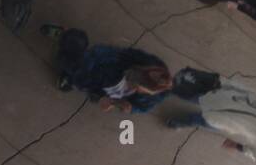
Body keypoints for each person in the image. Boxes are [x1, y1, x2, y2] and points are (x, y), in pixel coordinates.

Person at [41, 25, 172, 112]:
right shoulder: (146, 62)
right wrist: (91, 59)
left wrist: (115, 103)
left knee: (78, 75)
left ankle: (71, 76)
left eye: (140, 82)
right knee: (75, 48)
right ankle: (65, 38)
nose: (135, 78)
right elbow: (122, 53)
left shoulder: (147, 101)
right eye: (140, 73)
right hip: (103, 66)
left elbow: (131, 106)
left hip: (99, 84)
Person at [167, 81, 256, 163]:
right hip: (230, 102)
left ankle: (176, 122)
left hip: (230, 124)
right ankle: (169, 89)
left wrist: (238, 147)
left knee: (198, 120)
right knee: (197, 98)